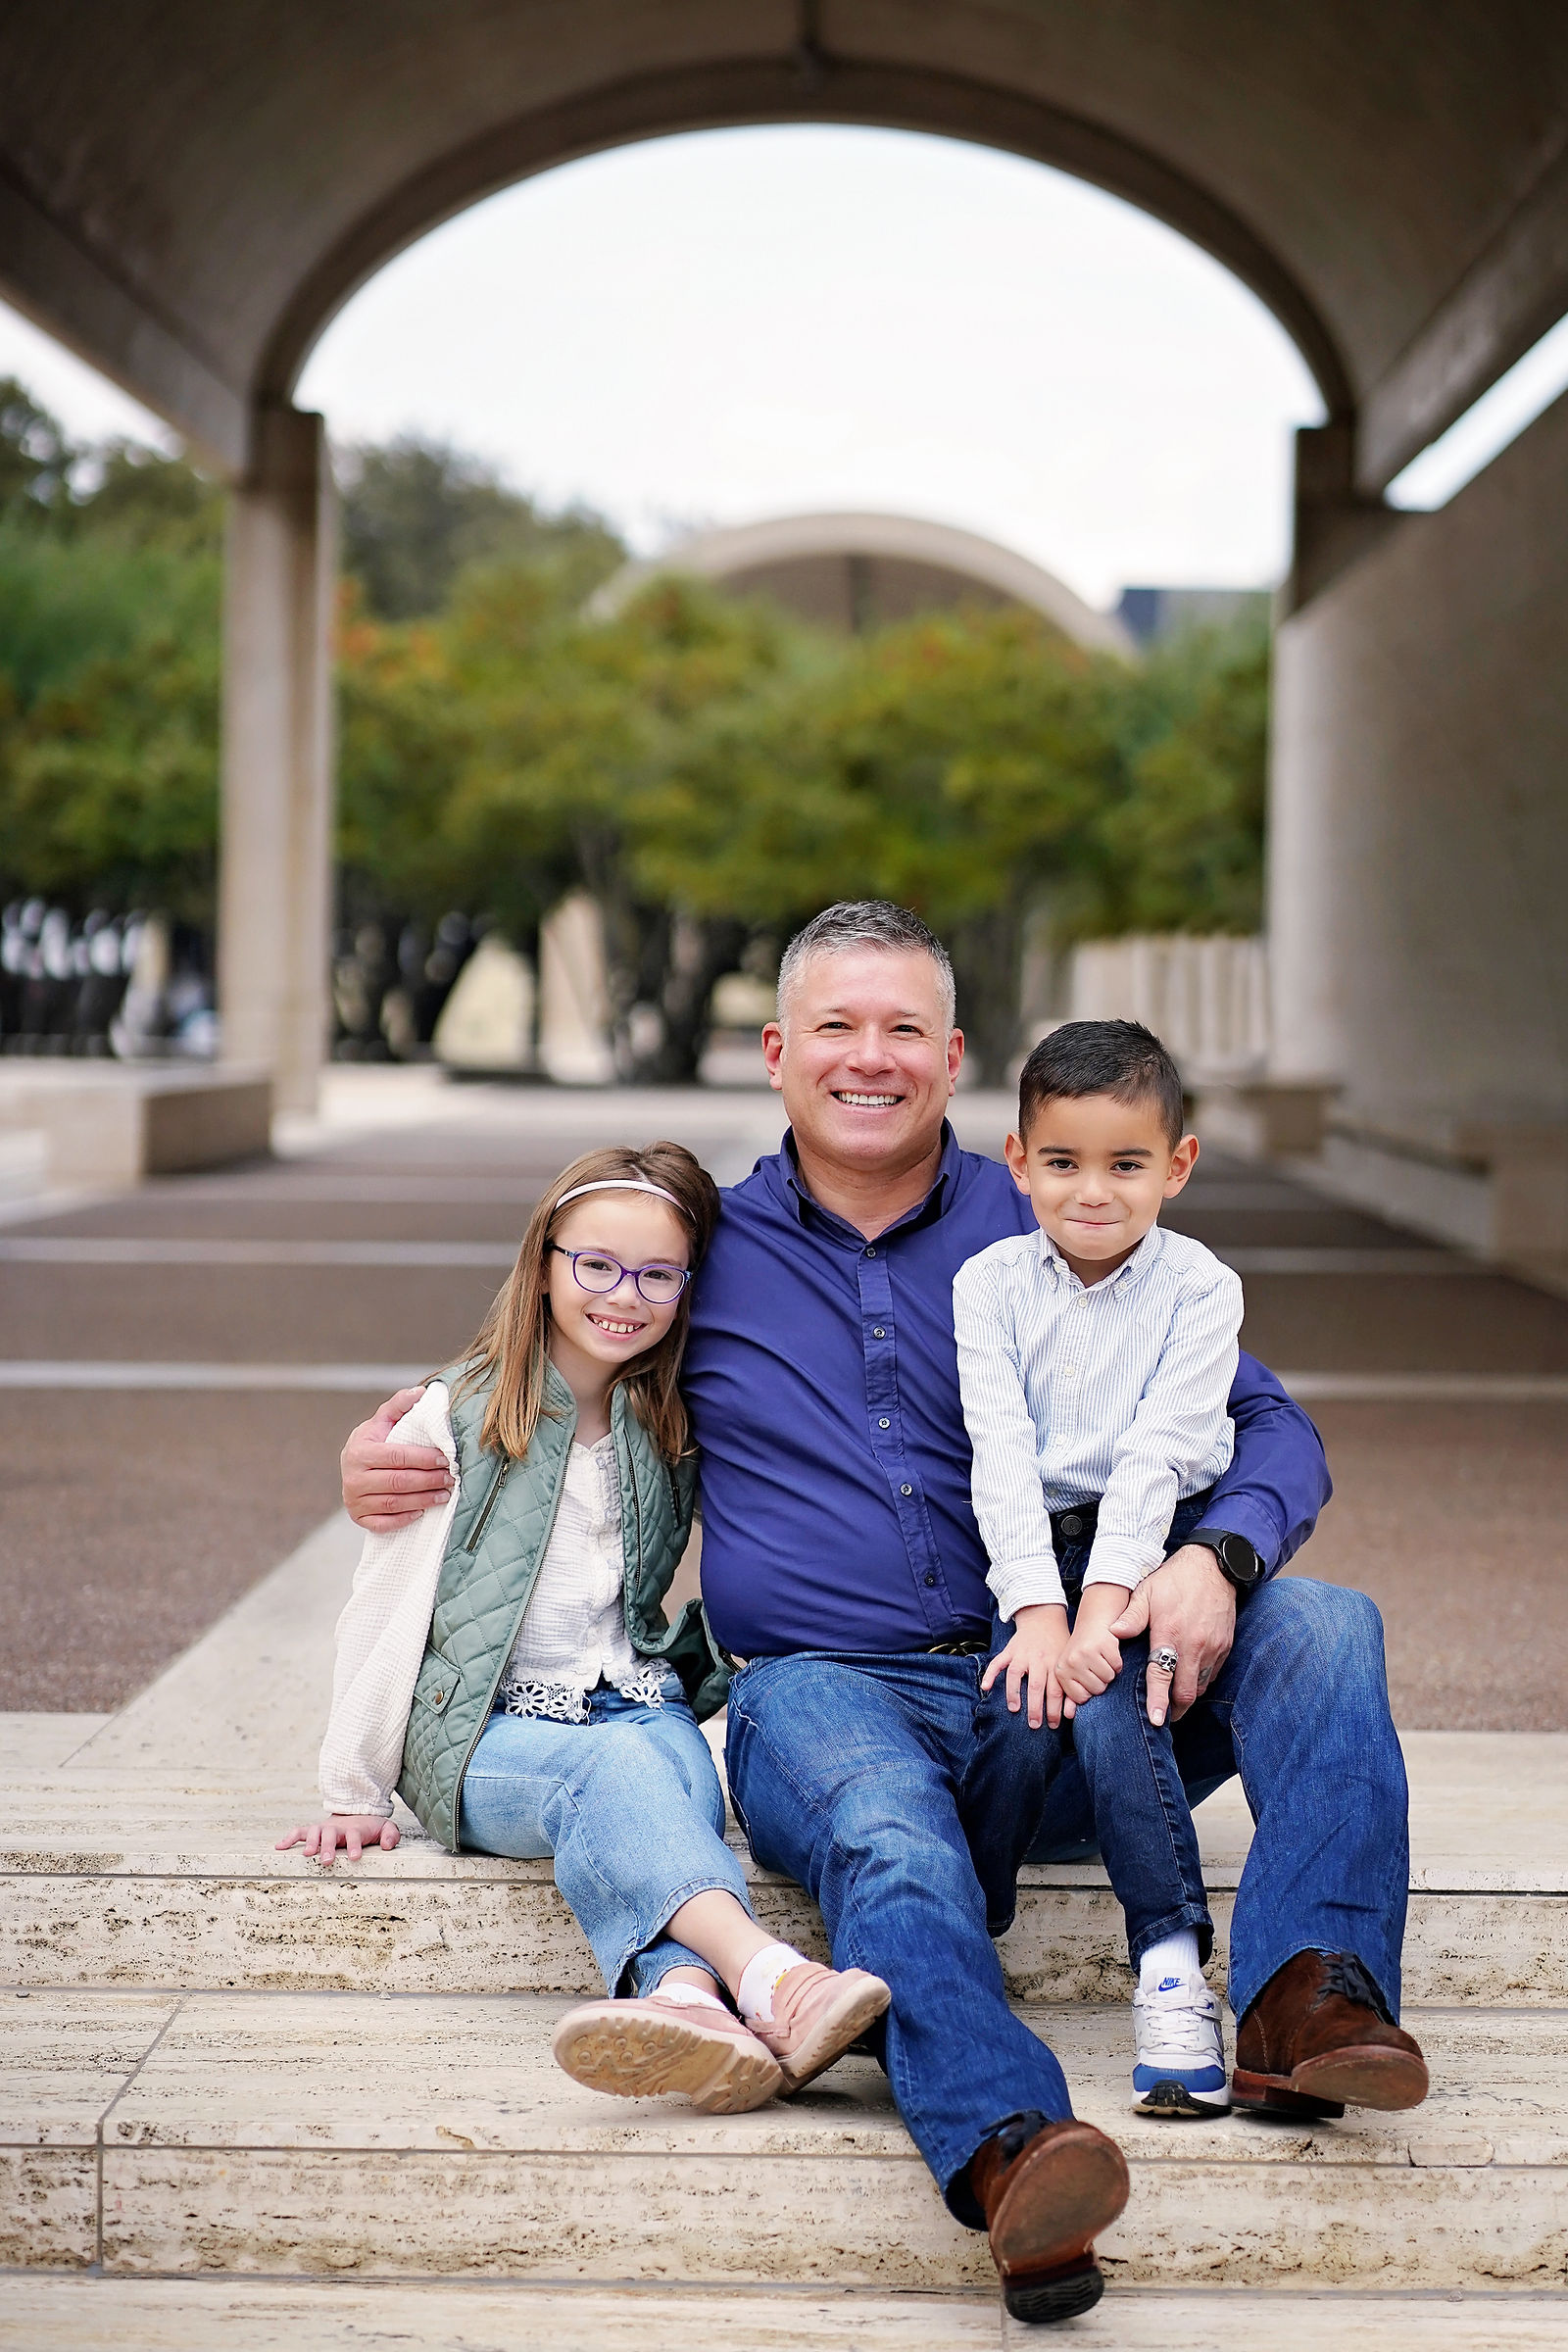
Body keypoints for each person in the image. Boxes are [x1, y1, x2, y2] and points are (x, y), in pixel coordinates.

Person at [340, 903, 1428, 2328]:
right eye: (838, 1028)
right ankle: (1014, 2155)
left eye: (905, 1027)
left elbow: (1270, 1429)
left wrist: (1213, 1560)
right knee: (888, 1840)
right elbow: (554, 1347)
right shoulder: (704, 1249)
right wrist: (402, 1453)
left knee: (1326, 1626)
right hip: (826, 1692)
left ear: (955, 1056)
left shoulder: (1050, 1214)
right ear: (779, 1053)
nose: (872, 1058)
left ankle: (1307, 1999)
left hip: (1064, 1682)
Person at [282, 1142, 889, 2116]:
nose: (623, 1295)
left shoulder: (669, 1420)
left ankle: (688, 2003)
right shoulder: (458, 1419)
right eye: (596, 1265)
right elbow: (383, 1606)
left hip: (636, 1704)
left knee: (677, 1774)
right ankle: (777, 1978)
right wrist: (352, 1786)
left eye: (657, 1275)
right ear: (545, 1263)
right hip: (485, 1735)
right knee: (611, 1775)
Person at [955, 1018, 1245, 2118]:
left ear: (1176, 1165)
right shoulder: (988, 1284)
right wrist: (1037, 1613)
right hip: (1031, 1549)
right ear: (1019, 1161)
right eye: (1063, 1162)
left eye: (1126, 1164)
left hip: (1150, 1535)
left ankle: (1169, 1975)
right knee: (1014, 1723)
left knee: (1125, 1721)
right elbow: (999, 1455)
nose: (1092, 1191)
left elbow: (1158, 1456)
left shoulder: (1199, 1288)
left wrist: (1107, 1609)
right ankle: (968, 1927)